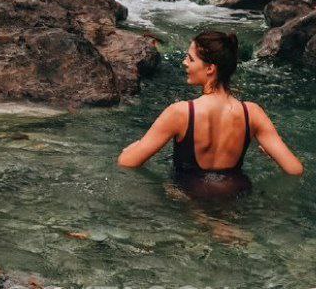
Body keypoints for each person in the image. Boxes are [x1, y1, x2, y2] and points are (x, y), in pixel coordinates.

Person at [117, 30, 303, 199]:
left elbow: (128, 163)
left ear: (210, 69)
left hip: (188, 196)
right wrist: (271, 156)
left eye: (190, 59)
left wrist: (134, 147)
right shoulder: (252, 112)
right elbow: (294, 169)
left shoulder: (180, 112)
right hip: (235, 194)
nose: (184, 63)